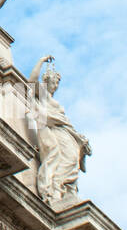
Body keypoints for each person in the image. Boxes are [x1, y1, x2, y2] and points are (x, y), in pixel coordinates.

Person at [28, 55, 92, 204]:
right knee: (63, 159)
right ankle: (55, 189)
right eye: (54, 82)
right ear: (47, 81)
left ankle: (64, 189)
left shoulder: (51, 99)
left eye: (57, 83)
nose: (55, 85)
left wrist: (80, 139)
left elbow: (65, 122)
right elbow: (31, 81)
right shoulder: (42, 95)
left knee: (72, 159)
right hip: (54, 130)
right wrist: (41, 61)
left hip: (65, 131)